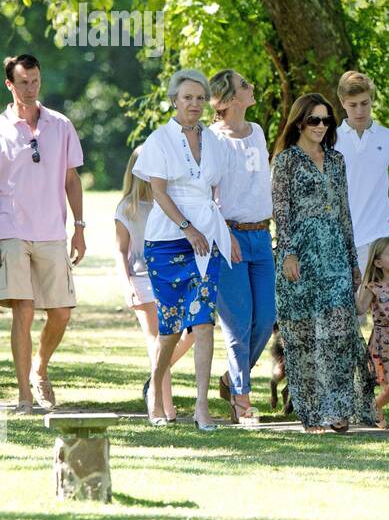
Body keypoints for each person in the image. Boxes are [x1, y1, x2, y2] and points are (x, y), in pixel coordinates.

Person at [0, 54, 87, 413]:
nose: (31, 88)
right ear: (10, 84)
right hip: (11, 229)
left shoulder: (61, 125)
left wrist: (79, 229)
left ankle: (40, 367)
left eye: (35, 80)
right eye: (23, 82)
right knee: (23, 310)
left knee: (62, 311)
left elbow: (72, 180)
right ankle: (24, 397)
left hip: (53, 229)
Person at [133, 69, 239, 430]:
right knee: (171, 328)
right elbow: (159, 192)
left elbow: (215, 195)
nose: (193, 104)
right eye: (187, 97)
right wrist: (186, 228)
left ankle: (201, 407)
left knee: (204, 322)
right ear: (174, 100)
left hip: (206, 238)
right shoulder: (159, 140)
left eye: (199, 98)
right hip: (167, 240)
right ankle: (156, 388)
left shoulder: (214, 142)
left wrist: (224, 232)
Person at [271, 92, 372, 434]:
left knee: (340, 333)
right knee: (303, 337)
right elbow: (281, 213)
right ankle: (311, 412)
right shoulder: (286, 162)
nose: (320, 125)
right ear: (299, 121)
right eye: (313, 119)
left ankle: (339, 409)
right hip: (300, 255)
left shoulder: (336, 160)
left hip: (335, 255)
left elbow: (345, 213)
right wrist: (286, 253)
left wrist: (353, 262)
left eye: (326, 120)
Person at [208, 69, 277, 425]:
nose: (252, 87)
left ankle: (231, 380)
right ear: (231, 98)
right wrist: (225, 233)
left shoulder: (259, 132)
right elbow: (204, 196)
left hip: (262, 237)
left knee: (266, 319)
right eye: (246, 85)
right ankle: (242, 401)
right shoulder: (212, 140)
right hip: (229, 238)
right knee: (238, 325)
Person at [114, 146, 194, 415]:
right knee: (158, 340)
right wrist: (126, 286)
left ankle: (154, 384)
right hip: (141, 279)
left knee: (189, 334)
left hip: (171, 277)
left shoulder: (169, 203)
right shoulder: (127, 207)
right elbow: (121, 251)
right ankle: (161, 409)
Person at [333, 71, 389, 278]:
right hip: (343, 241)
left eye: (364, 103)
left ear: (372, 100)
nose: (360, 111)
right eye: (353, 105)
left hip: (383, 238)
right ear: (342, 102)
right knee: (352, 309)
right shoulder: (330, 139)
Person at [355, 237, 389, 432]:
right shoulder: (374, 287)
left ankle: (376, 407)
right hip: (384, 340)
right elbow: (360, 309)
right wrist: (353, 289)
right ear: (378, 263)